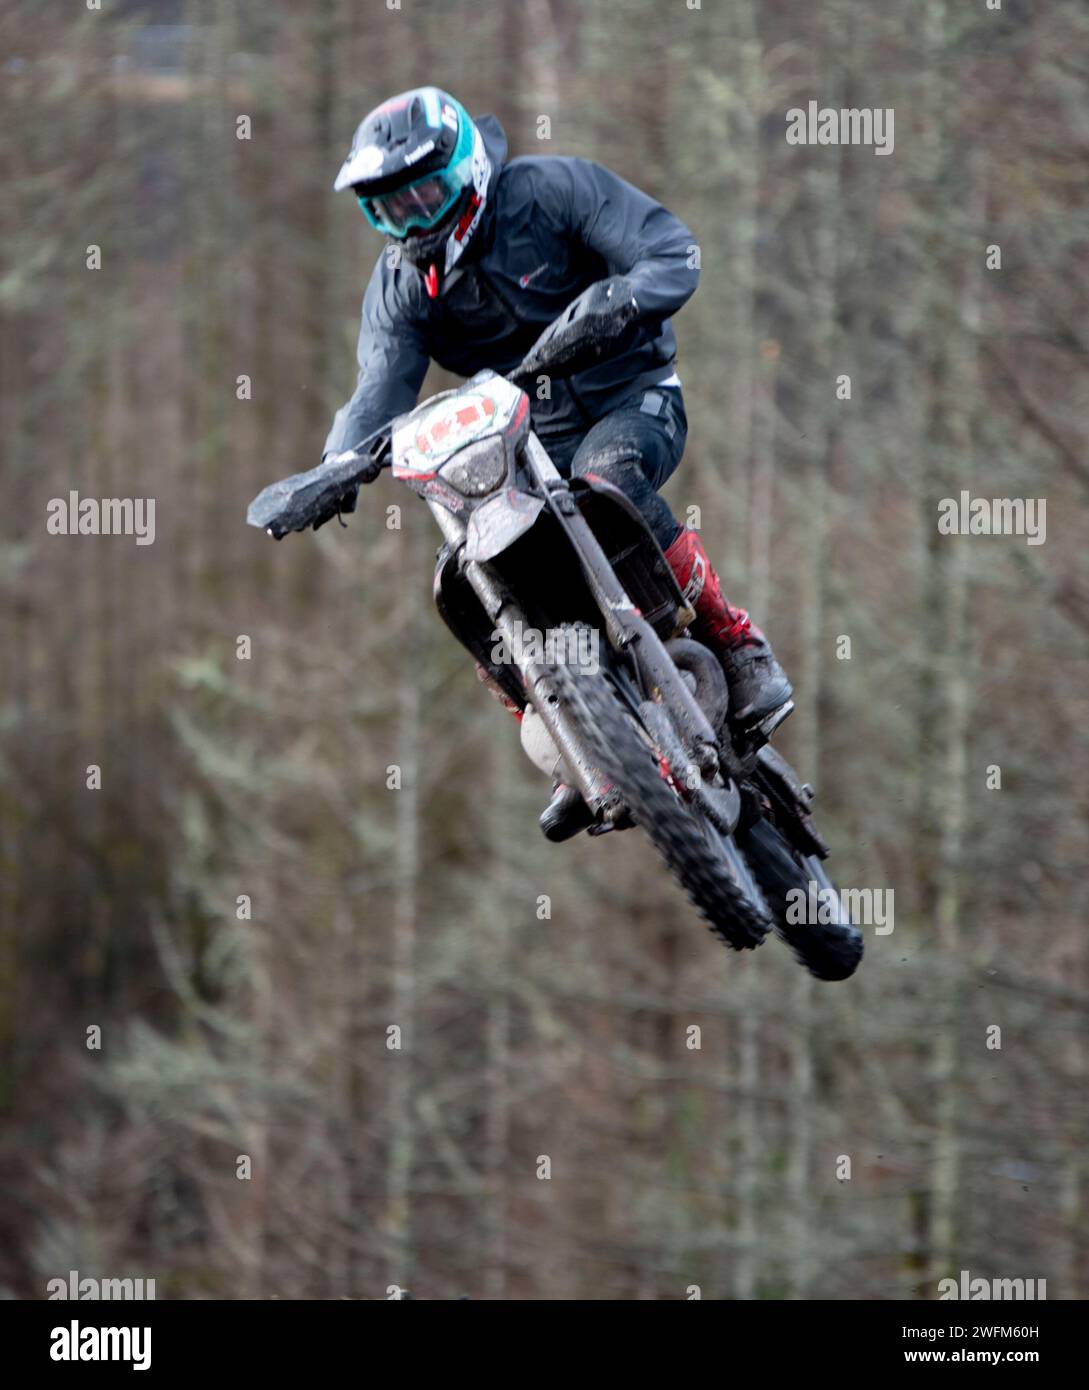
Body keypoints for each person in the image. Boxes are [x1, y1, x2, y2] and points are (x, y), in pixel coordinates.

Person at [325, 86, 792, 837]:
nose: (411, 218)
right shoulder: (402, 287)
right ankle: (578, 744)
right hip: (518, 450)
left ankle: (733, 641)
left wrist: (627, 300)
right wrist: (331, 470)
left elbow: (669, 249)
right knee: (464, 580)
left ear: (466, 170)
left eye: (423, 192)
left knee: (609, 483)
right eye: (388, 206)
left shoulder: (549, 192)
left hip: (630, 399)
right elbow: (378, 388)